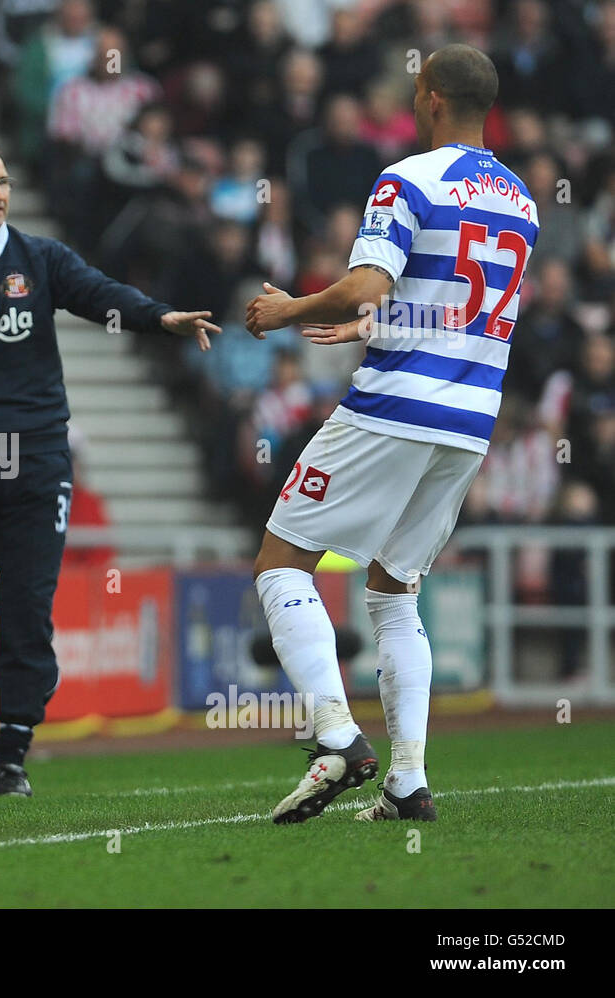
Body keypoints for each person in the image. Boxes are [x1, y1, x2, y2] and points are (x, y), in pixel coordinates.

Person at [245, 45, 537, 823]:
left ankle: (337, 737)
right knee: (393, 591)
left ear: (431, 96)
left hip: (396, 407)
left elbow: (369, 282)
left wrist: (292, 311)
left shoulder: (406, 178)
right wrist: (376, 326)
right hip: (470, 420)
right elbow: (458, 304)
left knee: (280, 563)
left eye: (416, 90)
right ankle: (407, 781)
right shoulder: (521, 201)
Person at [0, 137, 219, 797]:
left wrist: (161, 318)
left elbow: (101, 296)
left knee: (27, 608)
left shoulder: (41, 259)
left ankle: (13, 752)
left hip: (39, 454)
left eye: (4, 180)